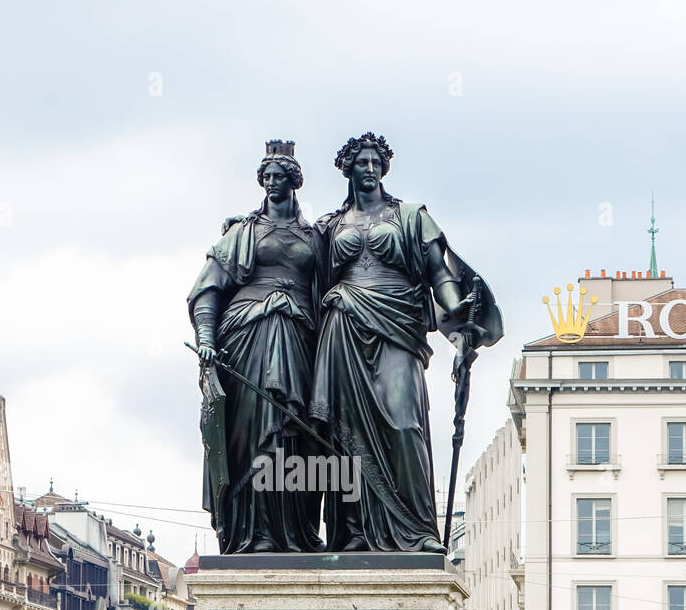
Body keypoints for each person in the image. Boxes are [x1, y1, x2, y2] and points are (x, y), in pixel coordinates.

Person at [310, 133, 502, 551]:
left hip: (397, 323)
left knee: (403, 424)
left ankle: (415, 530)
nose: (370, 167)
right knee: (346, 435)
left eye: (376, 161)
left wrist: (459, 314)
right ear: (347, 168)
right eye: (361, 161)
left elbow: (441, 276)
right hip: (342, 323)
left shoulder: (412, 217)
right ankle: (355, 532)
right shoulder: (330, 226)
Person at [188, 140, 325, 553]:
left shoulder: (314, 236)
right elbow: (207, 290)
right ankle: (254, 532)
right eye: (266, 178)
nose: (272, 184)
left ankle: (296, 532)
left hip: (301, 338)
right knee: (253, 435)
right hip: (248, 336)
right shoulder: (242, 232)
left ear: (294, 181)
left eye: (279, 176)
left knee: (297, 431)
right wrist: (208, 340)